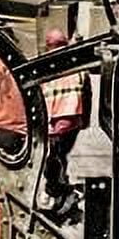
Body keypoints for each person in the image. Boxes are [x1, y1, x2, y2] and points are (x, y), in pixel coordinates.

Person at [40, 28, 89, 222]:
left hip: (53, 120)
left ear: (48, 45)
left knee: (53, 157)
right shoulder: (76, 63)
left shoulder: (43, 65)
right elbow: (87, 93)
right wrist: (84, 120)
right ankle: (59, 188)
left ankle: (56, 192)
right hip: (73, 119)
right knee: (60, 155)